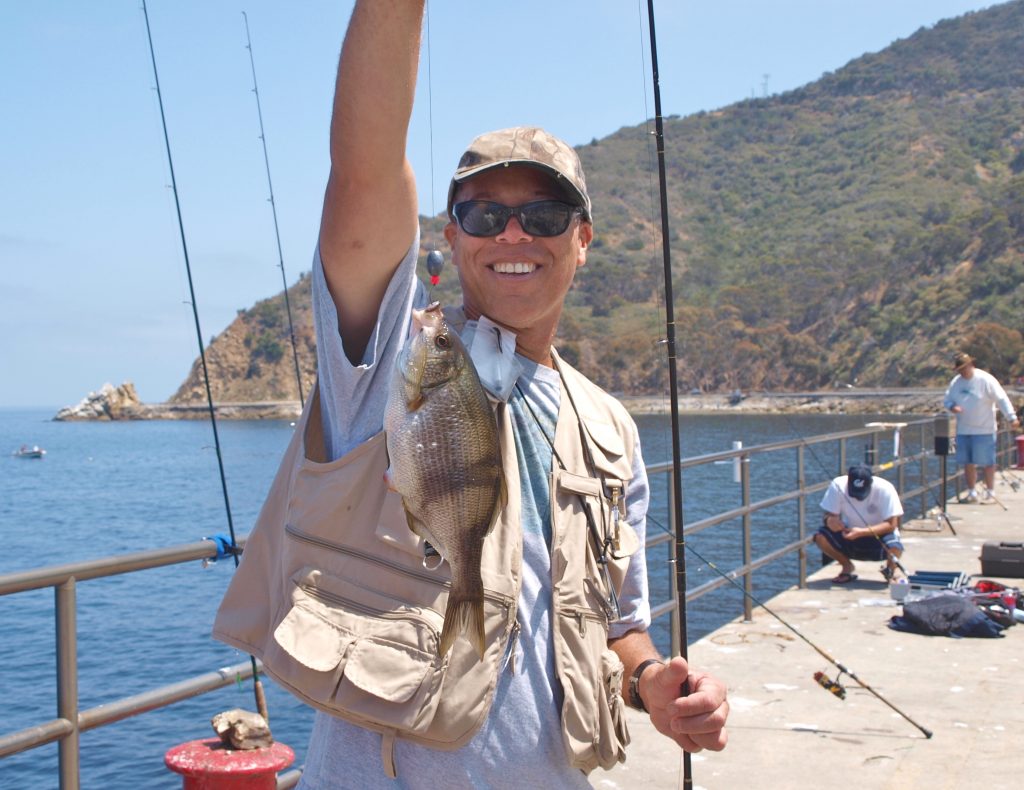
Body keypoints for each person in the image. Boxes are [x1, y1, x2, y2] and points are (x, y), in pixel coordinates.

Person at [213, 2, 728, 787]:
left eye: (544, 215)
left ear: (582, 240)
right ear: (451, 237)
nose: (514, 235)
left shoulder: (610, 428)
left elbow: (617, 624)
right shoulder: (394, 362)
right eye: (485, 215)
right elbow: (365, 169)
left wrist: (651, 682)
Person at [943, 352, 1020, 504]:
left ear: (971, 365)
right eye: (959, 370)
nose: (962, 372)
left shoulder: (985, 379)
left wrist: (1011, 417)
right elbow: (947, 400)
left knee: (987, 462)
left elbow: (1001, 399)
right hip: (964, 429)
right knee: (968, 462)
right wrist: (952, 407)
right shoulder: (956, 383)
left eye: (964, 368)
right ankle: (972, 492)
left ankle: (990, 492)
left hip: (984, 429)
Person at [814, 465, 904, 584]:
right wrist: (830, 521)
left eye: (862, 493)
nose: (858, 497)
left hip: (879, 535)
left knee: (895, 546)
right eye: (854, 493)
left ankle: (890, 570)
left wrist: (861, 532)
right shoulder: (838, 485)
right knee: (820, 536)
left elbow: (892, 525)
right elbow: (829, 514)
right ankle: (846, 566)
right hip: (849, 534)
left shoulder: (885, 488)